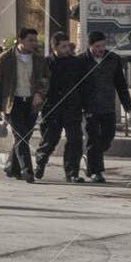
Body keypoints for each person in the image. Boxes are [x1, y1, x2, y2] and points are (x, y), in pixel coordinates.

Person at [0, 27, 48, 182]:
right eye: (30, 40)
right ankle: (27, 171)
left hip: (31, 103)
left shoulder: (38, 59)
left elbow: (45, 79)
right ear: (20, 40)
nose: (33, 43)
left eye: (35, 40)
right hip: (12, 103)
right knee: (21, 136)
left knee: (24, 137)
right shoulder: (5, 58)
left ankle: (11, 167)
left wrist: (39, 94)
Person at [77, 29, 131, 183]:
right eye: (97, 46)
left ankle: (90, 157)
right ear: (89, 46)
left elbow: (121, 85)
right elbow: (75, 86)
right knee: (93, 138)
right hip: (88, 108)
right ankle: (97, 172)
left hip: (108, 106)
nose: (101, 49)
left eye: (103, 46)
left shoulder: (113, 59)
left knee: (108, 137)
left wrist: (128, 107)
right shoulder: (81, 61)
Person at [35, 37, 86, 182]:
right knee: (50, 140)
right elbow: (40, 83)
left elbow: (83, 84)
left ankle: (72, 173)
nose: (67, 49)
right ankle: (40, 164)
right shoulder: (46, 63)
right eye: (63, 46)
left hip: (72, 107)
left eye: (68, 46)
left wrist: (83, 102)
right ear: (54, 47)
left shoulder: (76, 63)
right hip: (52, 107)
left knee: (75, 140)